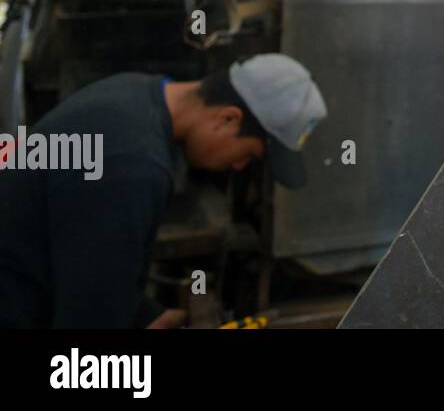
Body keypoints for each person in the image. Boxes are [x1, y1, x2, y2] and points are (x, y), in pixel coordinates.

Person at [0, 54, 326, 328]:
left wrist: (149, 315)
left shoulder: (136, 91)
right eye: (249, 155)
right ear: (228, 119)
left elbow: (87, 261)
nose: (239, 166)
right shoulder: (134, 166)